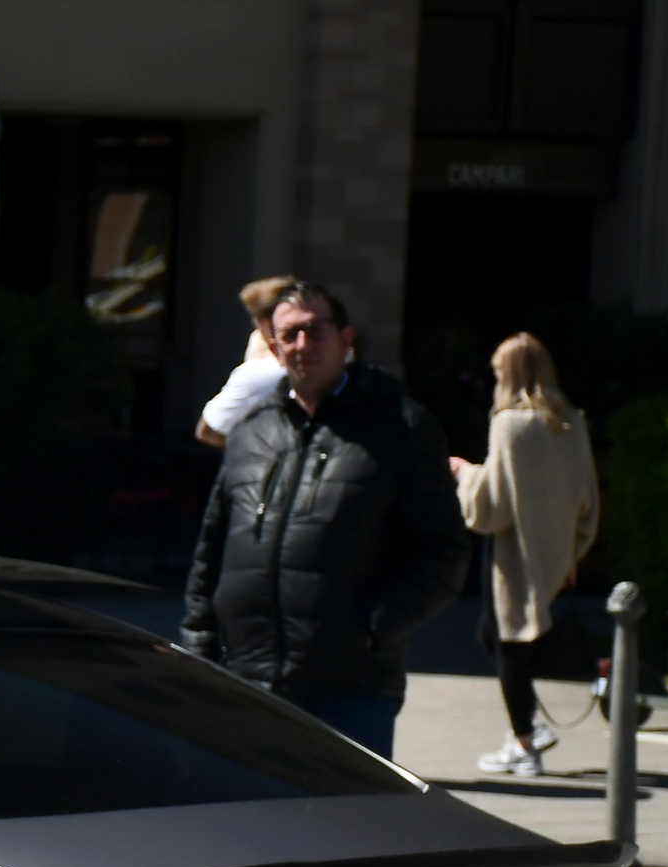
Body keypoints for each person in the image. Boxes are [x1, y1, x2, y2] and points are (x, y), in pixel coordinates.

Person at [180, 282, 471, 758]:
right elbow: (210, 552)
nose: (303, 345)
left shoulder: (400, 429)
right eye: (289, 335)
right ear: (273, 346)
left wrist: (373, 629)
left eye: (316, 331)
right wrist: (200, 651)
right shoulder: (252, 432)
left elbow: (444, 551)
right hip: (245, 684)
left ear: (345, 339)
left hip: (349, 691)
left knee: (346, 810)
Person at [451, 333, 600, 777]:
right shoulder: (570, 422)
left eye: (499, 372)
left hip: (512, 555)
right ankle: (530, 725)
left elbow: (492, 507)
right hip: (556, 551)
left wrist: (465, 475)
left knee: (508, 642)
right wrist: (573, 552)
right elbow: (587, 496)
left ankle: (525, 743)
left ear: (511, 375)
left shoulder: (509, 424)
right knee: (497, 636)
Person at [194, 275, 299, 448]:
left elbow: (208, 432)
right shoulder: (334, 364)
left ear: (266, 324)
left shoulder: (261, 373)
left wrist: (261, 453)